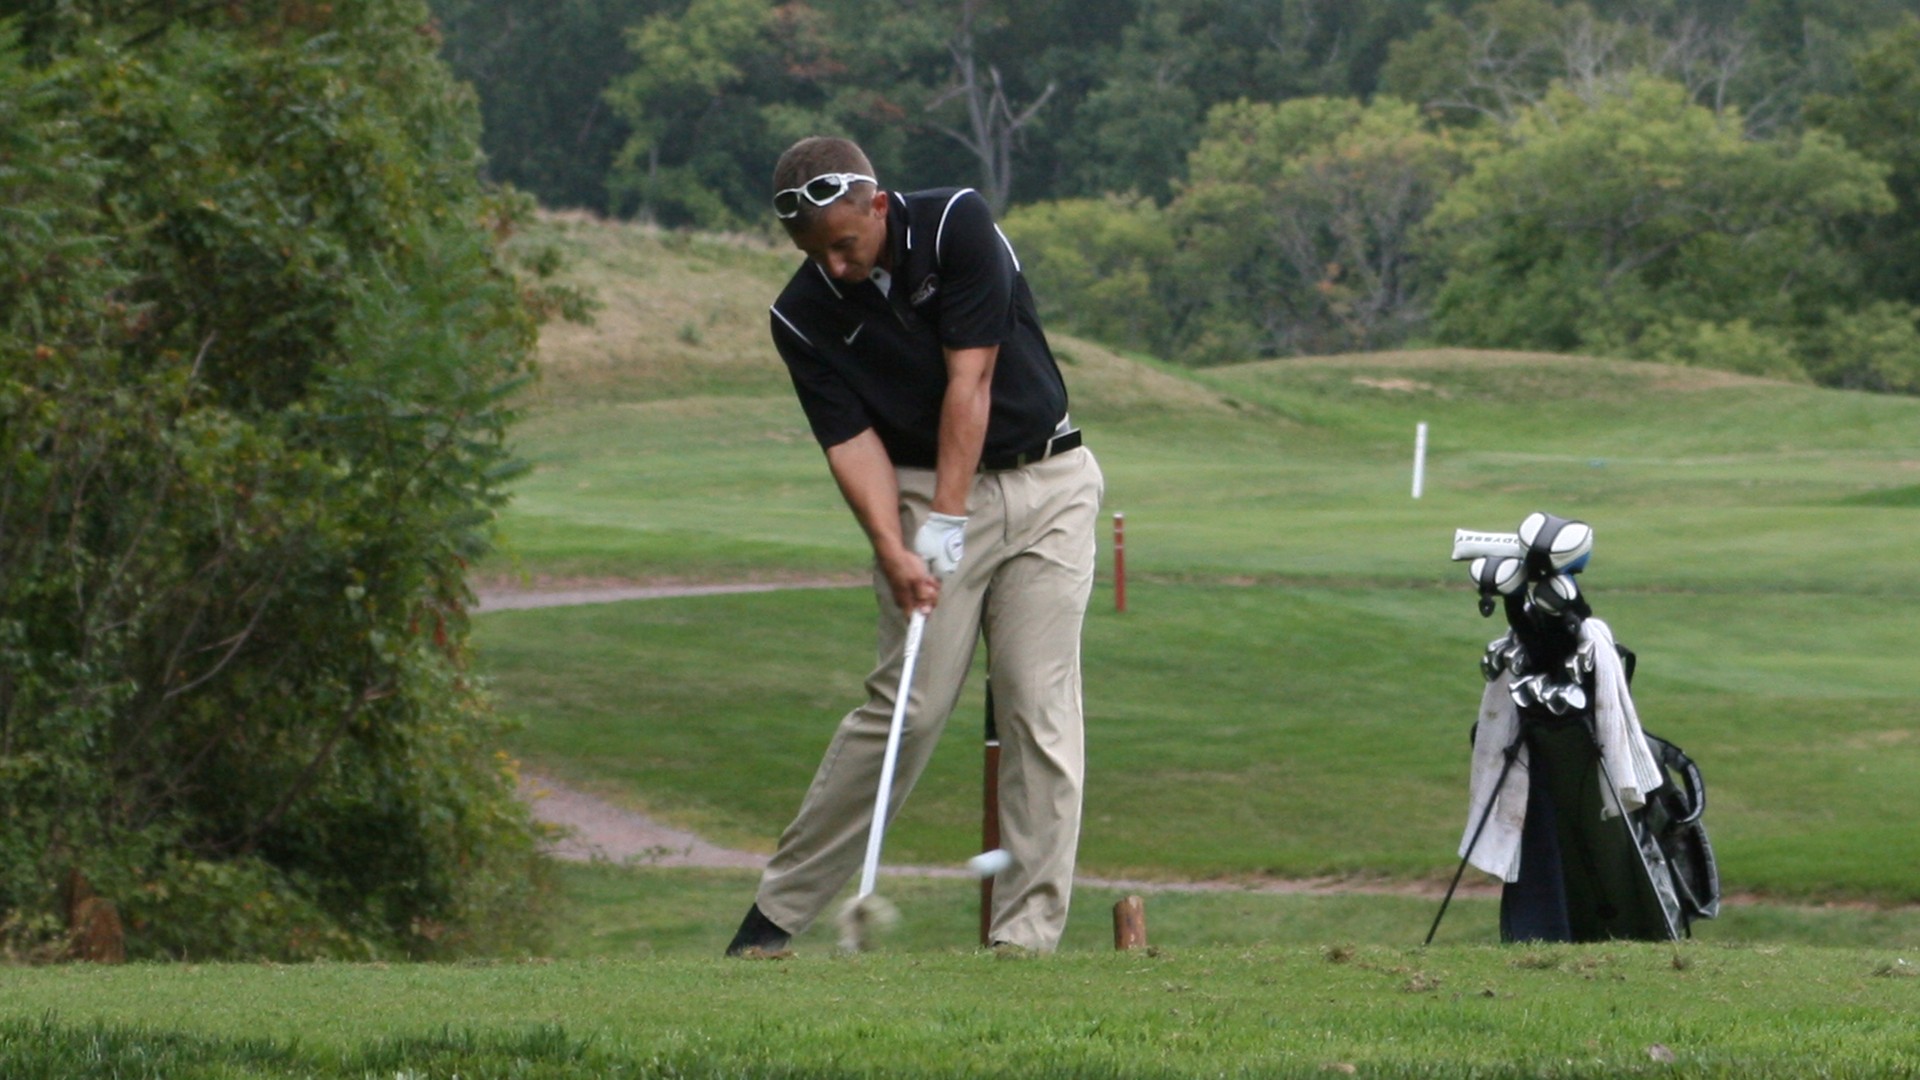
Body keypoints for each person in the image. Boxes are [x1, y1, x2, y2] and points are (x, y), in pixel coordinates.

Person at [724, 136, 1104, 956]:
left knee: (1038, 709)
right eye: (812, 252)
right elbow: (849, 440)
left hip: (1049, 485)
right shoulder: (800, 314)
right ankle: (775, 920)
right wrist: (896, 546)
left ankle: (1024, 941)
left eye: (842, 244)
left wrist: (952, 519)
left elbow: (972, 381)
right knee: (910, 708)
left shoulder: (958, 225)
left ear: (877, 205)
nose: (831, 265)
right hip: (920, 490)